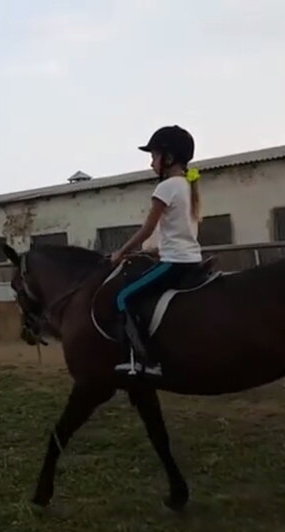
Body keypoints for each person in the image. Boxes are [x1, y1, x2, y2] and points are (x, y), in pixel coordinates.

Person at [109, 124, 203, 377]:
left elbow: (147, 229)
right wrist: (156, 251)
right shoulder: (187, 186)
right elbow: (183, 232)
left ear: (168, 158)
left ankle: (146, 361)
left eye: (154, 157)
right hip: (190, 259)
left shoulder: (166, 187)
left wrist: (121, 252)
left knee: (122, 297)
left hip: (174, 262)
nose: (151, 163)